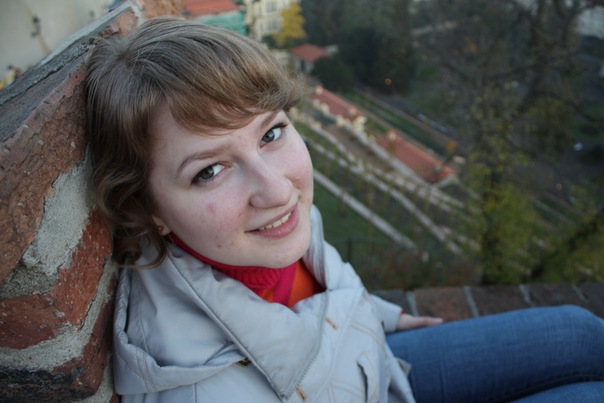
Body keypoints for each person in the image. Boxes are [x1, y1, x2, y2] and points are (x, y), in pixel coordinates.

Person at [85, 17, 604, 402]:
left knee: (579, 330)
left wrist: (382, 316)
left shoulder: (258, 239)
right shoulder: (208, 391)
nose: (276, 189)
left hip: (380, 364)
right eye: (210, 171)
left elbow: (315, 294)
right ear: (148, 209)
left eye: (271, 132)